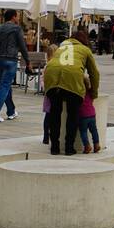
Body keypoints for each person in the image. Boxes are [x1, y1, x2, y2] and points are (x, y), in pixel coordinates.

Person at [43, 28, 100, 156]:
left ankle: (55, 148)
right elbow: (94, 74)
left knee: (55, 114)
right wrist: (94, 93)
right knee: (72, 115)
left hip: (51, 77)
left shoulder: (61, 47)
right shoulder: (85, 50)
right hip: (72, 81)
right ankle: (69, 148)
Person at [0, 10, 31, 123]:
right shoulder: (17, 29)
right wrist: (28, 61)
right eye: (17, 16)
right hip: (11, 60)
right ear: (13, 17)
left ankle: (11, 111)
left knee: (5, 86)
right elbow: (22, 46)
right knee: (4, 86)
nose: (18, 18)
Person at [78, 77, 100, 154]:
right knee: (94, 130)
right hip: (92, 114)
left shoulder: (80, 93)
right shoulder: (90, 92)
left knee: (83, 131)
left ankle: (87, 146)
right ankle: (96, 144)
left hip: (83, 115)